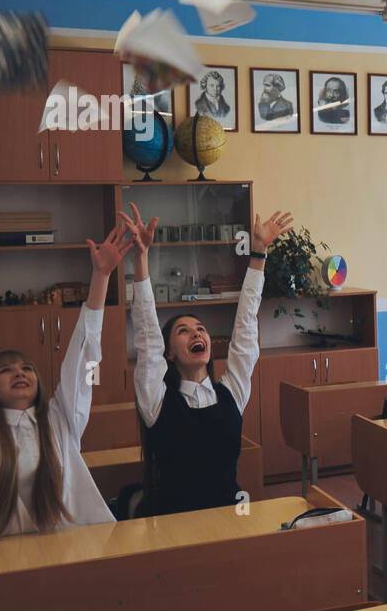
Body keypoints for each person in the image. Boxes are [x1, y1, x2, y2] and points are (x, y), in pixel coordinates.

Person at [0, 223, 131, 541]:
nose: (19, 373)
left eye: (27, 368)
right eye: (5, 370)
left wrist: (101, 277)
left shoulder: (61, 421)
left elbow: (86, 362)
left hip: (67, 548)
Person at [120, 203, 294, 516]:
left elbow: (245, 328)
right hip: (173, 526)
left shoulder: (232, 392)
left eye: (200, 329)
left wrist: (258, 255)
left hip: (230, 519)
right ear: (170, 353)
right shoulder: (156, 400)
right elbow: (147, 334)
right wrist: (141, 258)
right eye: (183, 332)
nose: (196, 334)